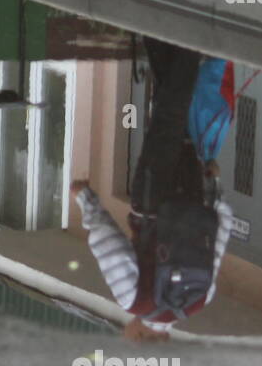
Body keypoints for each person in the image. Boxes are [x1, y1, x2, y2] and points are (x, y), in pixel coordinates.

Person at [71, 39, 234, 340]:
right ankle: (190, 36)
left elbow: (219, 235)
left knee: (171, 113)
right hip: (154, 197)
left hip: (193, 191)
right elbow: (108, 245)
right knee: (169, 114)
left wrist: (214, 188)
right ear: (141, 336)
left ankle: (159, 31)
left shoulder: (199, 300)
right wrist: (85, 199)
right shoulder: (135, 301)